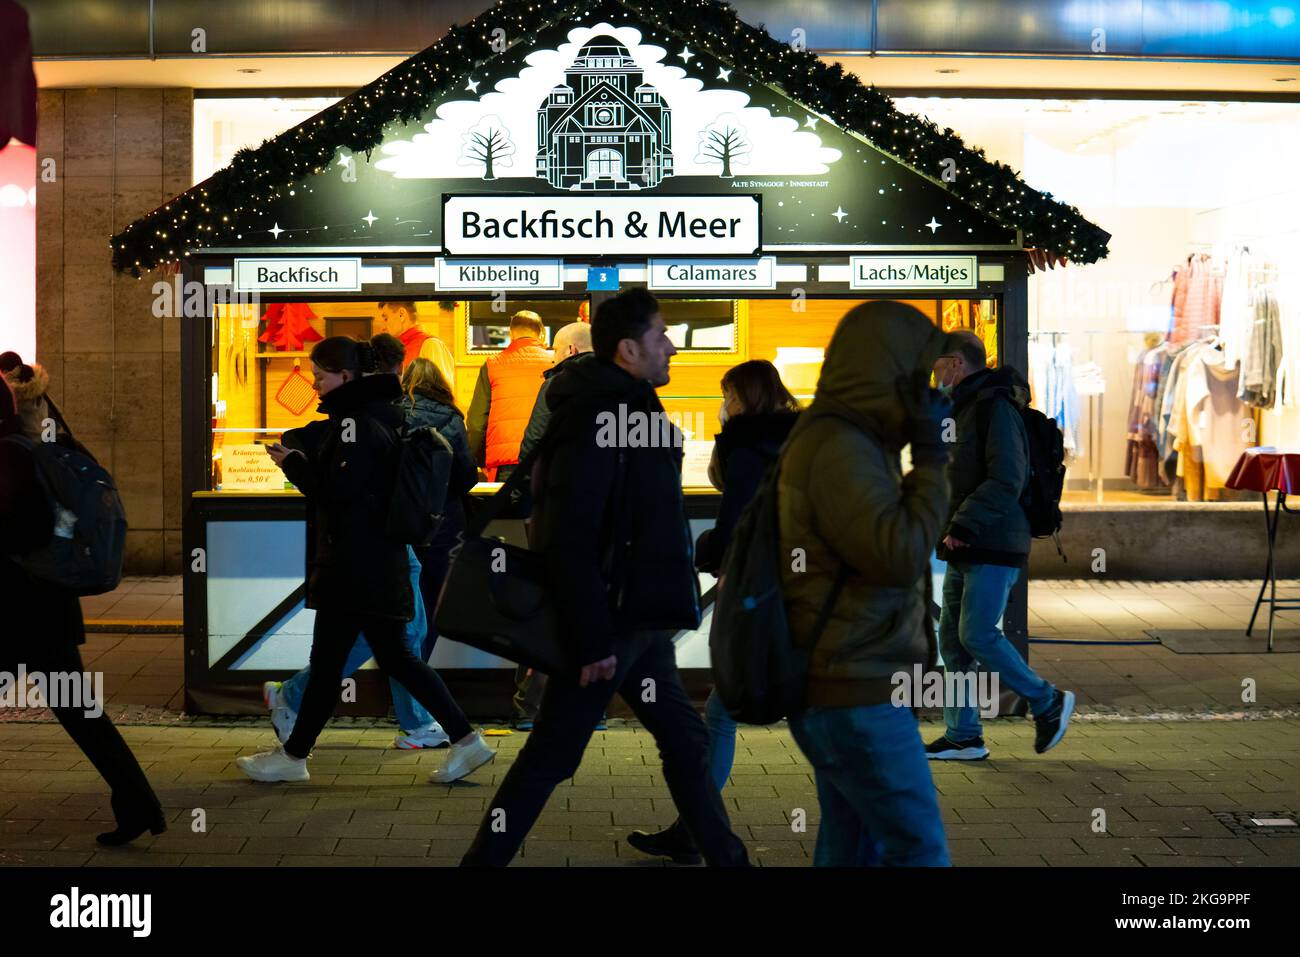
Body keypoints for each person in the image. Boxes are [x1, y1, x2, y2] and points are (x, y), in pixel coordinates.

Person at [460, 289, 750, 867]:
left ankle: (724, 856)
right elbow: (570, 533)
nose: (672, 346)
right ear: (627, 349)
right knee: (551, 754)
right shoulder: (598, 417)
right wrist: (591, 636)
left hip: (638, 618)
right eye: (661, 335)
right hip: (612, 623)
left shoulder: (633, 406)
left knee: (685, 741)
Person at [237, 336, 494, 783]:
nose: (314, 385)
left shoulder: (357, 422)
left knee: (343, 662)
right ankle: (466, 743)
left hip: (356, 565)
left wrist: (294, 464)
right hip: (374, 563)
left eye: (320, 376)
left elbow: (341, 495)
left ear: (346, 376)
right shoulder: (379, 415)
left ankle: (294, 758)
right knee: (390, 659)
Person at [778, 301, 956, 867]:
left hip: (847, 681)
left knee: (854, 849)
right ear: (889, 372)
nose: (923, 391)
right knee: (917, 850)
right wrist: (931, 460)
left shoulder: (850, 438)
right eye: (917, 375)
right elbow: (899, 555)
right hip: (855, 688)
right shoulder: (841, 447)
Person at [626, 358, 801, 865]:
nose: (724, 406)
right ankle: (693, 828)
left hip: (754, 588)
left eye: (727, 396)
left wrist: (716, 556)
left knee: (725, 712)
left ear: (742, 398)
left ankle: (694, 830)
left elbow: (736, 513)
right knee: (788, 707)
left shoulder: (744, 444)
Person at [0, 367, 166, 847]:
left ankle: (138, 804)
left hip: (19, 611)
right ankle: (138, 804)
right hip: (45, 610)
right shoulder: (43, 442)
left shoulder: (10, 454)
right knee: (81, 712)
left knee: (81, 712)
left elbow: (26, 530)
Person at [928, 330, 1074, 760]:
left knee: (975, 633)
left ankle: (1047, 700)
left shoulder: (994, 407)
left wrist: (965, 523)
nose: (932, 374)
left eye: (937, 365)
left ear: (955, 363)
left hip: (991, 538)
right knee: (953, 643)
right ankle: (963, 736)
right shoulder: (965, 407)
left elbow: (1006, 477)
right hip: (965, 537)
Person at [511, 319, 594, 730]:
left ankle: (531, 707)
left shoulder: (558, 384)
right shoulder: (623, 385)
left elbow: (533, 445)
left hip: (555, 517)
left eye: (557, 351)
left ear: (571, 351)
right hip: (601, 520)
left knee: (544, 607)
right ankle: (588, 708)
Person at [466, 310, 551, 482]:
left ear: (511, 334)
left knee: (507, 509)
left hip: (505, 464)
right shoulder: (555, 362)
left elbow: (476, 422)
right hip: (546, 458)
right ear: (541, 334)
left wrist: (480, 459)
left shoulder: (492, 364)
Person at [377, 300, 455, 386]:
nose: (383, 327)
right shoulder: (395, 350)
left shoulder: (431, 345)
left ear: (401, 314)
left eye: (386, 318)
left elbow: (443, 393)